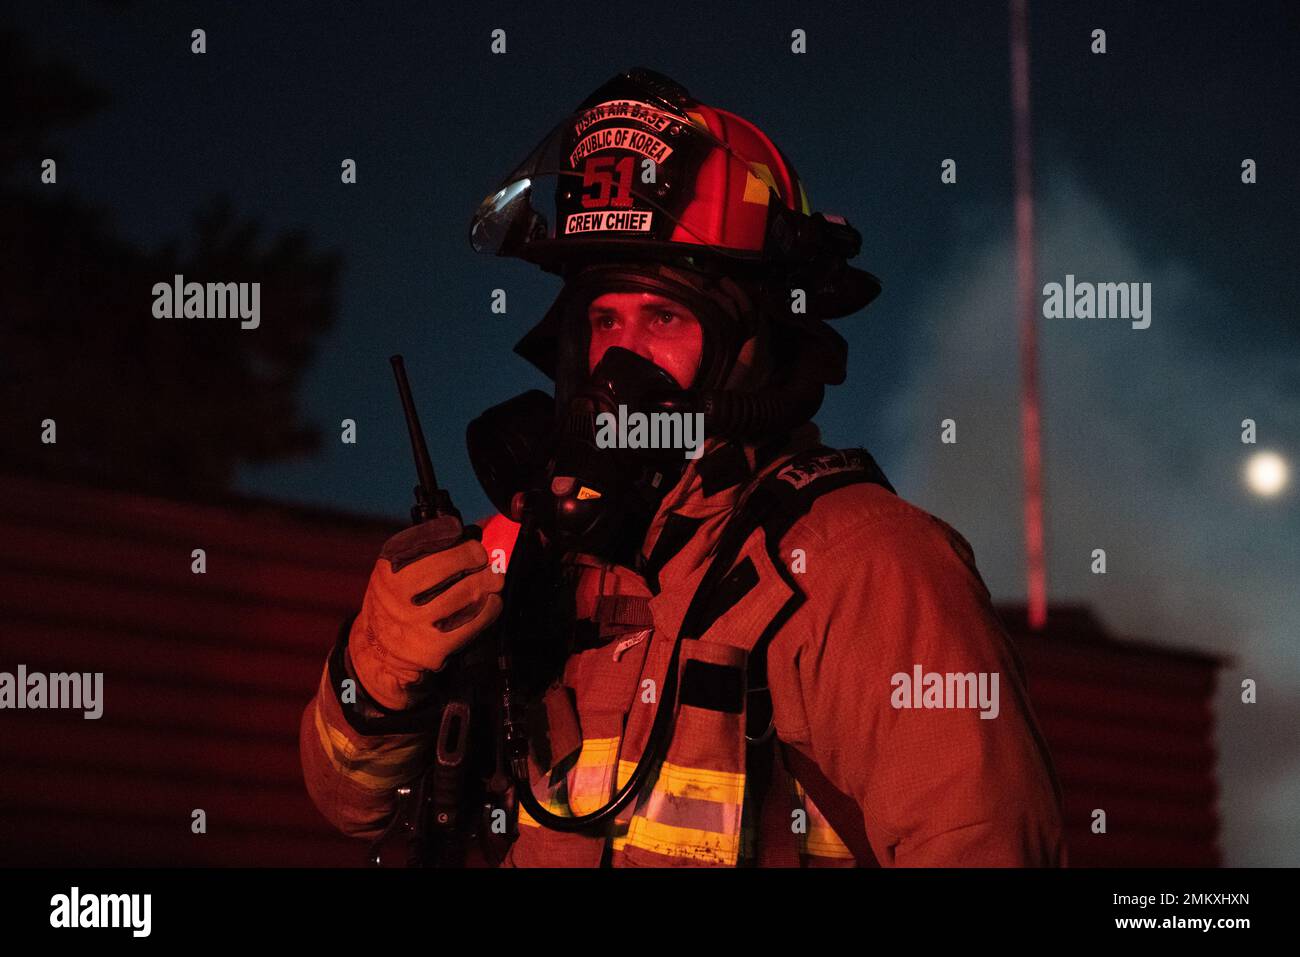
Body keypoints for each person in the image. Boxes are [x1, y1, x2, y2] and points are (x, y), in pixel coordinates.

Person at [300, 68, 1065, 867]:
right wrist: (375, 675)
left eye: (663, 317)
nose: (621, 361)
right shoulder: (539, 556)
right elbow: (353, 808)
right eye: (605, 319)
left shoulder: (866, 571)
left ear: (750, 349)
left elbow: (986, 847)